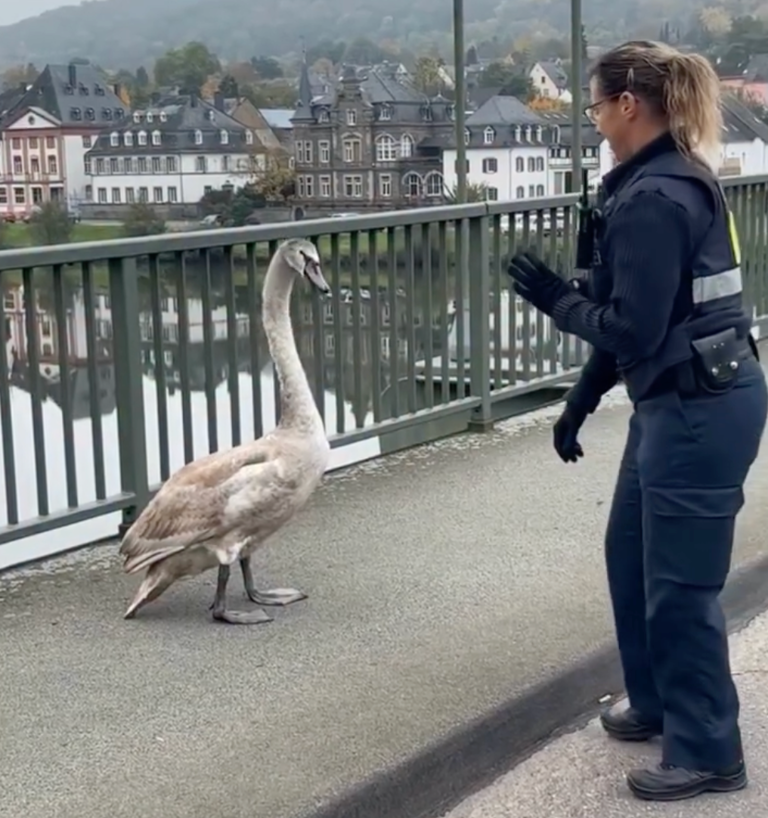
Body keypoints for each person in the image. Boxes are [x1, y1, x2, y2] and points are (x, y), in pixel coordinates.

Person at [507, 40, 768, 802]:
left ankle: (709, 749)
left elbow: (633, 331)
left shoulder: (655, 199)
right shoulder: (651, 184)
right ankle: (658, 700)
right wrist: (579, 403)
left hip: (701, 410)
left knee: (681, 586)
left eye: (593, 104)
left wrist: (557, 300)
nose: (592, 119)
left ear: (628, 105)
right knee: (630, 555)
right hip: (675, 402)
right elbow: (640, 323)